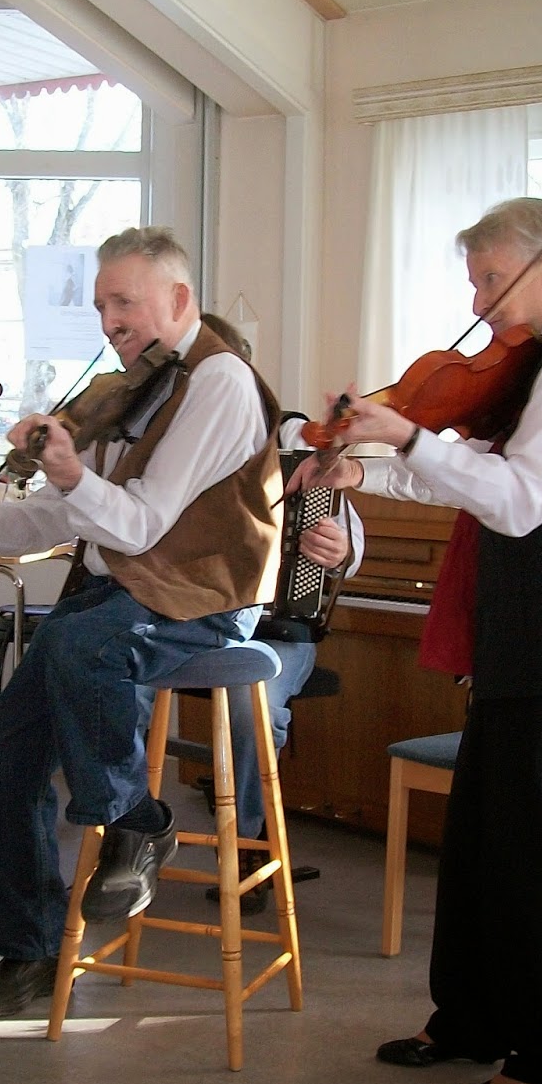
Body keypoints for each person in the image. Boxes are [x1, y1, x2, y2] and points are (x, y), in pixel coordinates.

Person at [292, 197, 542, 1084]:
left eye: (491, 277)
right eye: (473, 277)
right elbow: (466, 471)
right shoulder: (539, 360)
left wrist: (409, 438)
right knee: (478, 836)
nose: (479, 297)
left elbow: (522, 498)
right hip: (525, 631)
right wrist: (370, 467)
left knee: (528, 852)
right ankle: (467, 1017)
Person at [0, 226, 284, 1018]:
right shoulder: (126, 388)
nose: (109, 319)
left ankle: (138, 824)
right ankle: (29, 950)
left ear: (178, 300)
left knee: (74, 636)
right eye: (102, 303)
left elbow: (137, 526)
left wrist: (71, 470)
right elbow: (53, 519)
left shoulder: (220, 382)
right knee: (0, 753)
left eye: (124, 302)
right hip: (122, 601)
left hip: (209, 603)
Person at [185, 312, 364, 915]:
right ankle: (130, 828)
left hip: (278, 631)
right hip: (194, 623)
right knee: (111, 669)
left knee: (250, 695)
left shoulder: (291, 443)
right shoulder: (174, 449)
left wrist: (339, 547)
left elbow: (347, 532)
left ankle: (247, 844)